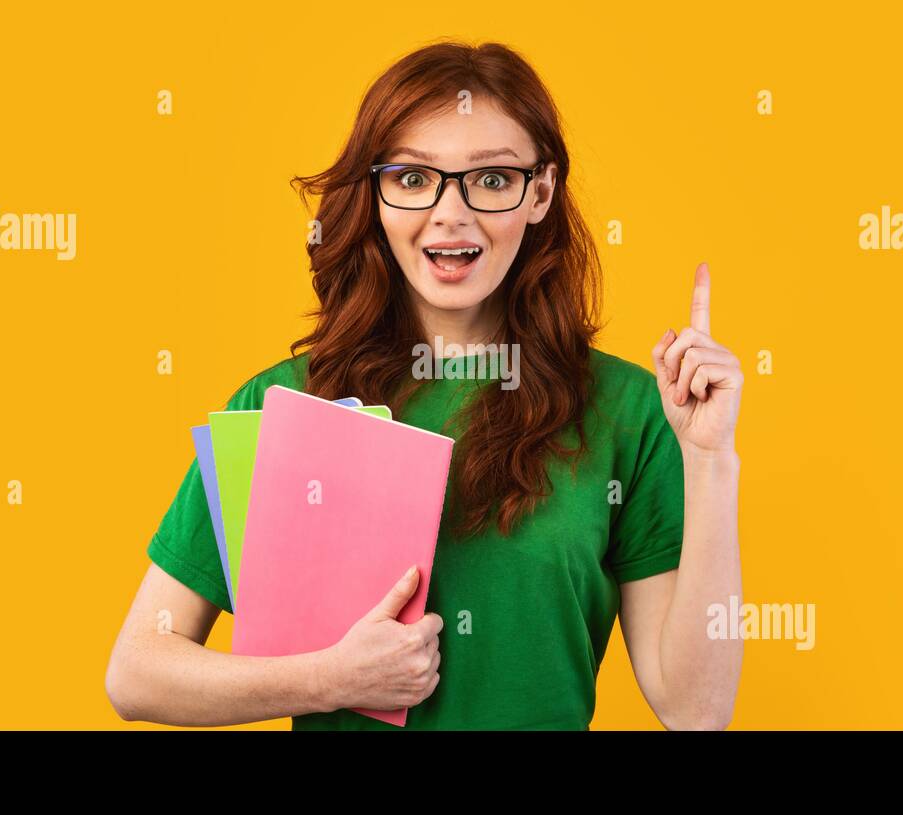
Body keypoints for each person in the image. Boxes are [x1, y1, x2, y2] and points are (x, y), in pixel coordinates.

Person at [105, 40, 743, 730]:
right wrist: (328, 679)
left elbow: (696, 710)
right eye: (413, 178)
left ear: (541, 192)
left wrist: (711, 462)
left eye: (492, 179)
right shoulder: (286, 405)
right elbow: (139, 671)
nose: (450, 213)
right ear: (375, 195)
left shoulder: (628, 413)